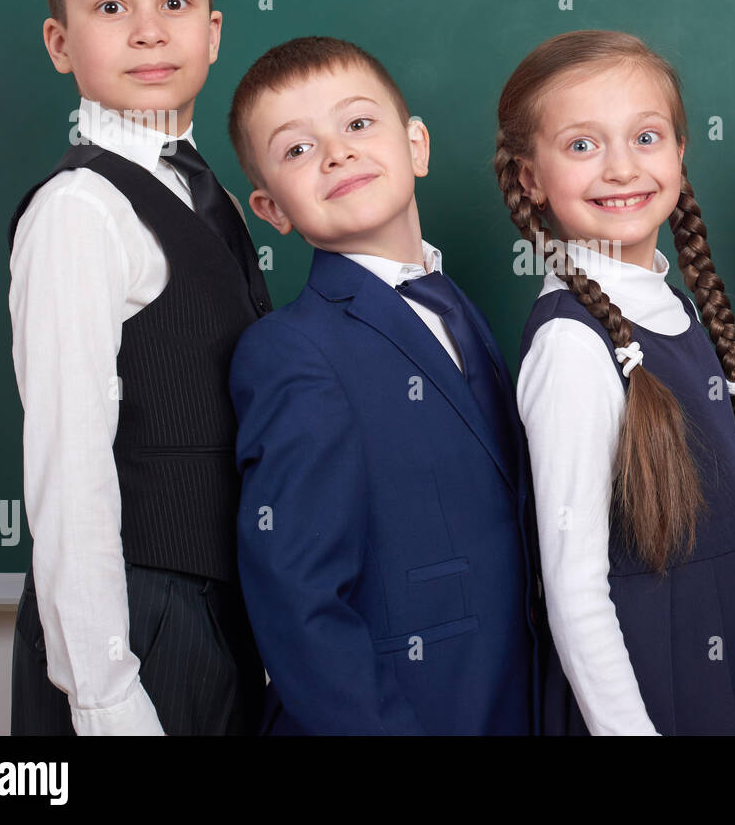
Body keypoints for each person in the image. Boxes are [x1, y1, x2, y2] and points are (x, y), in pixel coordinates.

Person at [227, 36, 551, 734]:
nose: (336, 153)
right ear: (272, 210)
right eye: (296, 149)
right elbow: (300, 601)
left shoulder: (458, 307)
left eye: (357, 123)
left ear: (417, 146)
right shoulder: (291, 352)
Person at [8, 0, 270, 735]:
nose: (150, 30)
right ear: (60, 42)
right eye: (111, 6)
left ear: (213, 32)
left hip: (221, 611)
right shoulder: (80, 209)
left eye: (175, 4)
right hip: (136, 621)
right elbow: (68, 466)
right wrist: (105, 696)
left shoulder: (212, 196)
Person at [497, 29, 735, 735]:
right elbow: (572, 590)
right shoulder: (572, 345)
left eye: (647, 137)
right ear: (531, 177)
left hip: (728, 663)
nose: (622, 169)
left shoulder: (675, 308)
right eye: (582, 145)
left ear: (682, 154)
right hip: (651, 688)